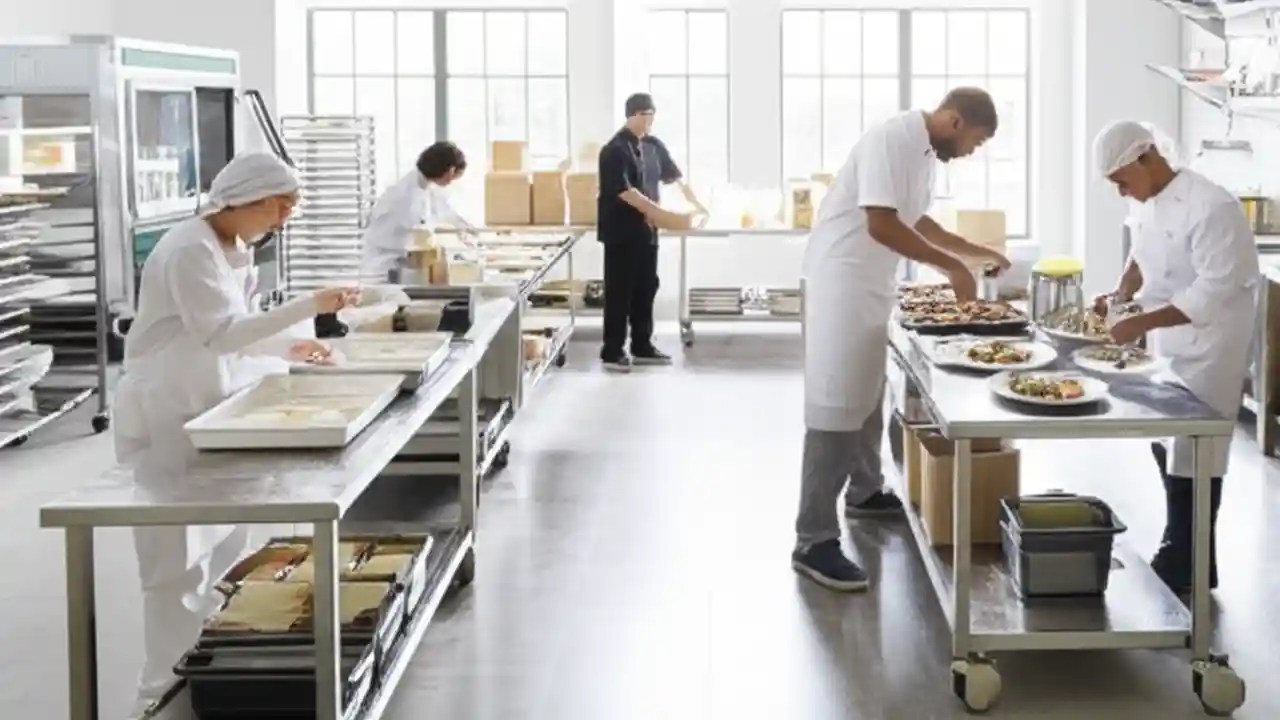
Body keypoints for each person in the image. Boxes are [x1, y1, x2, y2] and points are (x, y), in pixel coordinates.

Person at [113, 152, 360, 712]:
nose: (284, 219)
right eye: (279, 207)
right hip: (168, 411)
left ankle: (215, 665)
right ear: (246, 200)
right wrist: (310, 305)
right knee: (175, 558)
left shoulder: (233, 247)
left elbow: (237, 329)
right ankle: (162, 691)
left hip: (211, 403)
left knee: (226, 539)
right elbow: (222, 333)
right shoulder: (188, 249)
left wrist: (292, 345)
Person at [794, 88, 1010, 592]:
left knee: (869, 396)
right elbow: (882, 223)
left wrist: (975, 252)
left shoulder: (926, 155)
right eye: (975, 142)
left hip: (872, 284)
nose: (971, 152)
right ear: (954, 121)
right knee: (835, 405)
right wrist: (951, 267)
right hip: (841, 281)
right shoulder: (891, 138)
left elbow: (917, 221)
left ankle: (864, 492)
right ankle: (813, 539)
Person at [1092, 120, 1260, 594]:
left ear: (1147, 158)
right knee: (1165, 439)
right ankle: (1184, 550)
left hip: (1211, 344)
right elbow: (1141, 252)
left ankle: (1188, 558)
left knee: (1198, 448)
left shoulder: (1213, 207)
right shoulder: (1145, 199)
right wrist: (1121, 294)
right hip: (1168, 336)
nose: (1121, 191)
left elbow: (1212, 293)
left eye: (1122, 180)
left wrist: (1139, 323)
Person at [596, 92, 696, 373]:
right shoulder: (613, 150)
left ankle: (642, 345)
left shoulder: (653, 146)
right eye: (644, 115)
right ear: (631, 115)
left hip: (647, 232)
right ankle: (612, 350)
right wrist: (659, 213)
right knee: (619, 291)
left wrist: (697, 203)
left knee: (647, 286)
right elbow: (625, 192)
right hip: (621, 232)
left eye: (652, 115)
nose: (648, 121)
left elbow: (675, 177)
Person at [359, 141, 474, 280]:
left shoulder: (423, 186)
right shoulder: (406, 193)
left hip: (398, 264)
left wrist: (463, 227)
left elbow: (445, 210)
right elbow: (414, 231)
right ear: (450, 171)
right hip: (384, 268)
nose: (451, 182)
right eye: (455, 176)